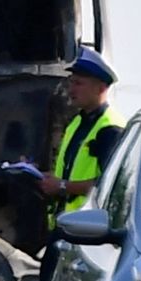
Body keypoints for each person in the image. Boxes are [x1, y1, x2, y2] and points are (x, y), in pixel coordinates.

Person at [40, 48, 122, 225]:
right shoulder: (77, 122)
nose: (71, 90)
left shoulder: (110, 129)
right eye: (71, 83)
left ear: (100, 88)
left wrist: (61, 186)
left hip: (90, 231)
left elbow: (111, 185)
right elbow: (70, 171)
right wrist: (44, 177)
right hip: (66, 226)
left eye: (78, 83)